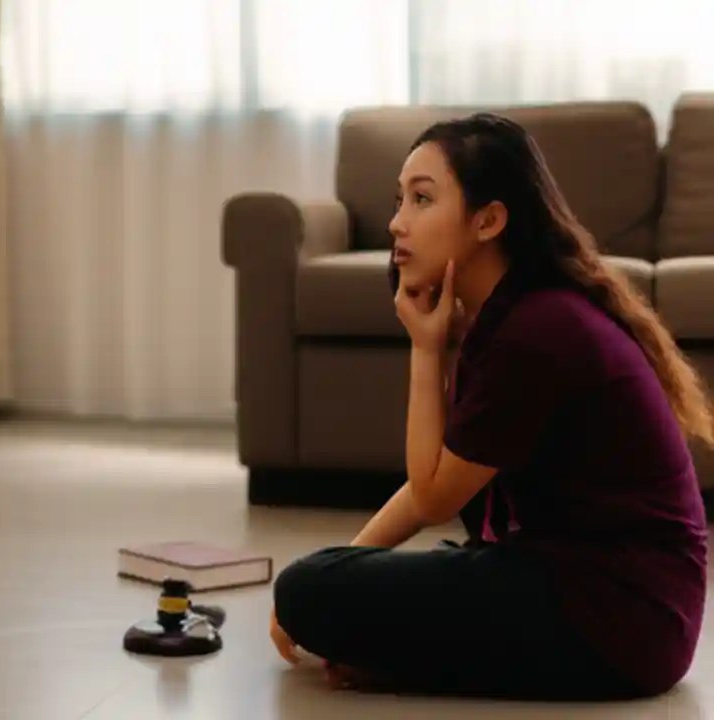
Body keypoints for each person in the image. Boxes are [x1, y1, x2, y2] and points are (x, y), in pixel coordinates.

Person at [269, 112, 710, 700]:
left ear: (489, 220)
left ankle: (408, 662)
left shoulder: (536, 331)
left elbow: (432, 495)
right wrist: (349, 559)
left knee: (305, 590)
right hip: (624, 613)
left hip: (617, 620)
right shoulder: (518, 316)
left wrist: (425, 348)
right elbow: (445, 476)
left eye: (422, 200)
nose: (397, 224)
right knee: (326, 579)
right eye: (399, 200)